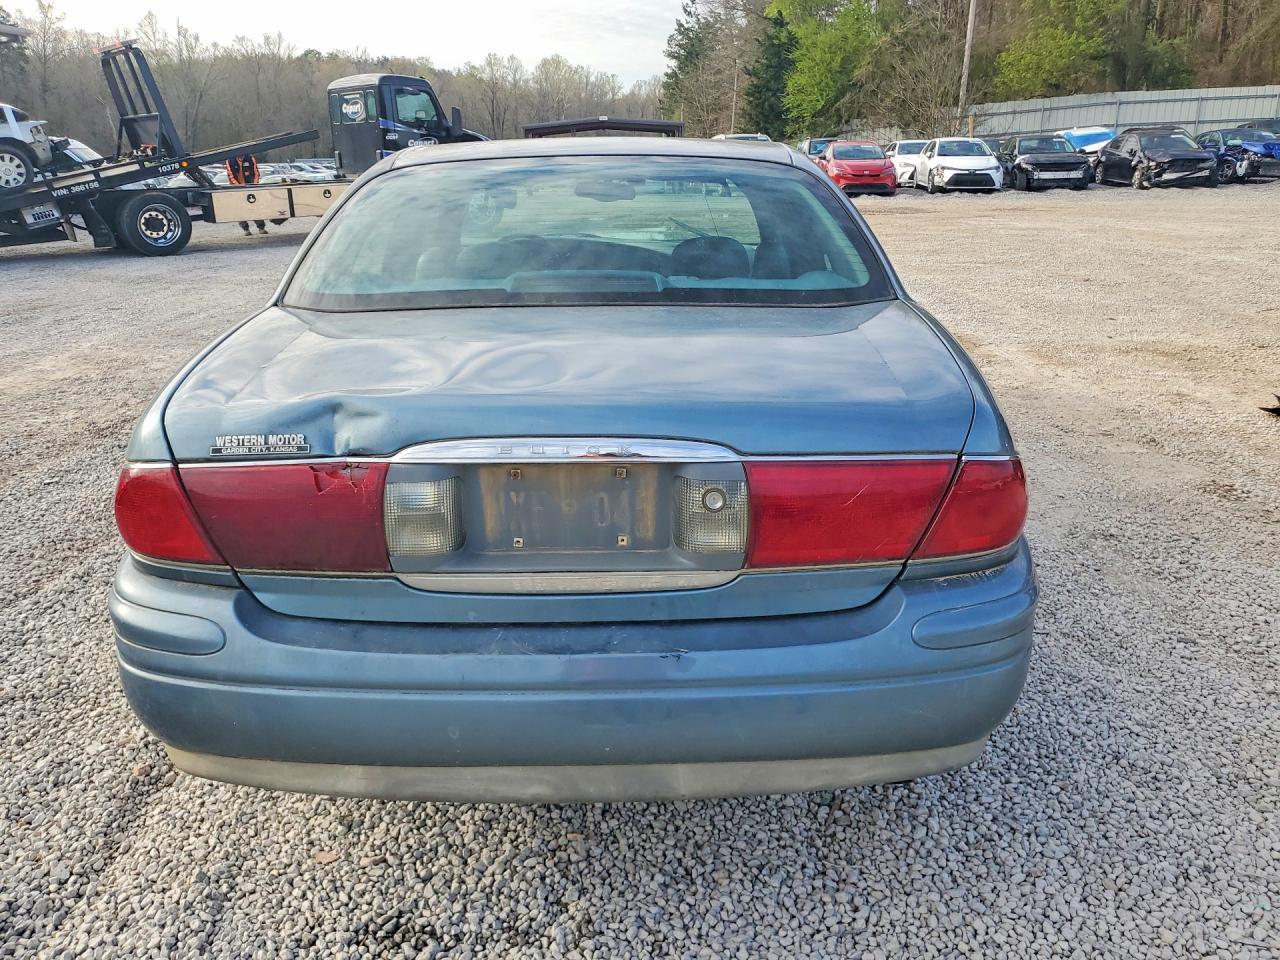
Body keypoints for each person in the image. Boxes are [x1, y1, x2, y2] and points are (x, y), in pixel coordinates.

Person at [225, 154, 268, 236]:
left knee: (255, 207)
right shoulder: (230, 160)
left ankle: (261, 228)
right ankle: (246, 229)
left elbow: (256, 173)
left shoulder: (250, 158)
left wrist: (255, 185)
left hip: (251, 187)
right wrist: (238, 187)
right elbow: (231, 176)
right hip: (237, 189)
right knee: (240, 210)